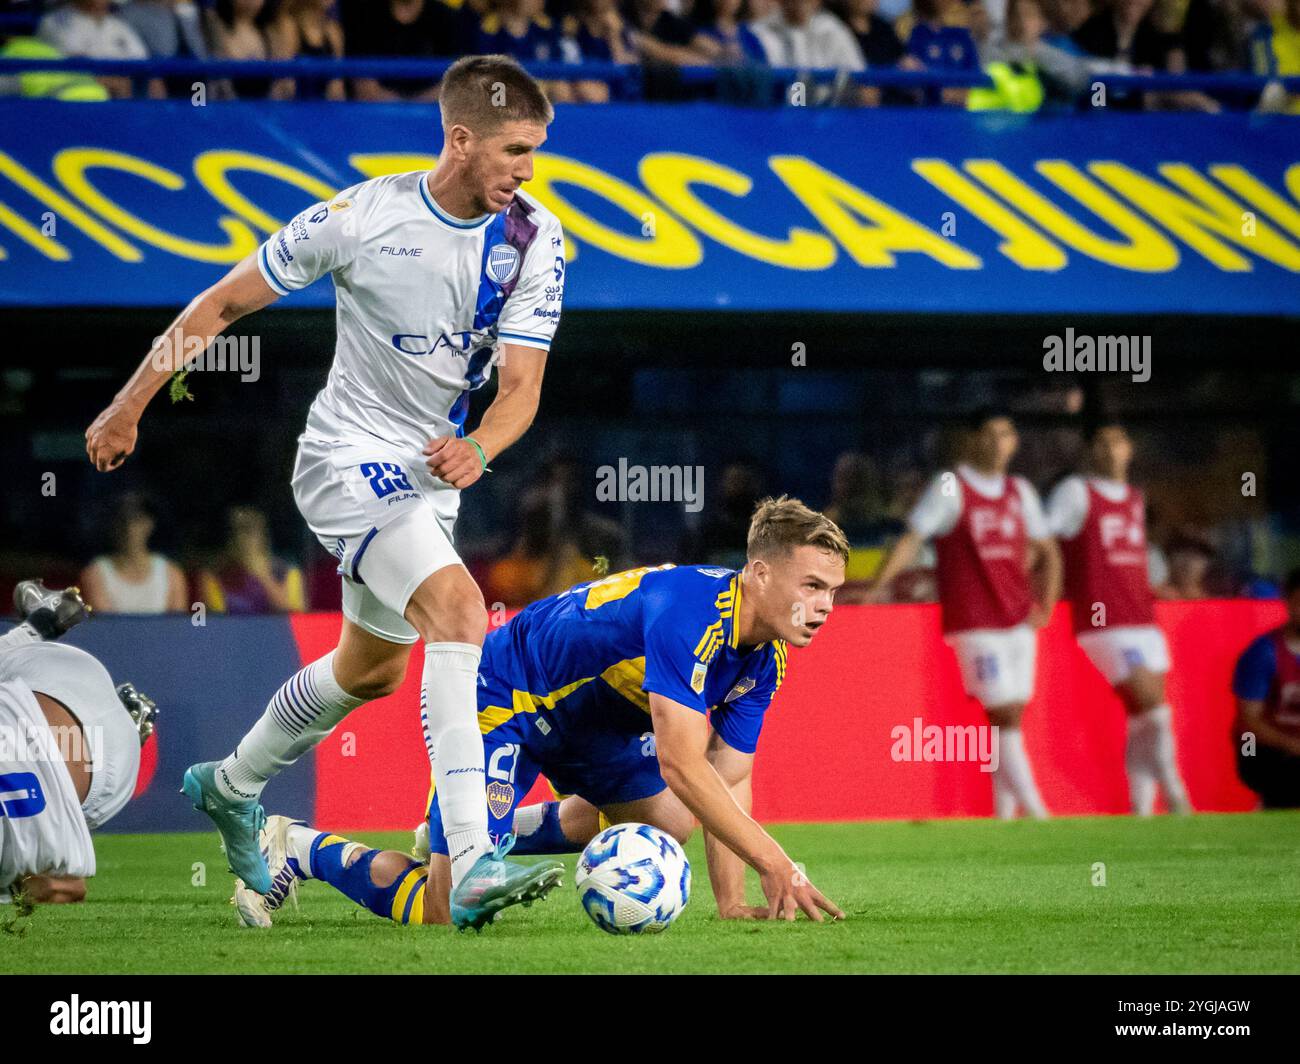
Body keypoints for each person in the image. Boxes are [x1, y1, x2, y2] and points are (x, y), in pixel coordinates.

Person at [85, 54, 567, 931]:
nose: (526, 170)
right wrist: (129, 405)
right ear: (460, 140)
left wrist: (480, 447)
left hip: (432, 476)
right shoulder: (360, 217)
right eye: (514, 150)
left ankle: (230, 786)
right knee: (461, 612)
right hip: (346, 459)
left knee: (371, 671)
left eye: (536, 152)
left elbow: (523, 388)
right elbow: (224, 305)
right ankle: (471, 861)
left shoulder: (535, 238)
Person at [235, 497, 847, 927]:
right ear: (760, 574)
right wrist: (776, 863)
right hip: (508, 693)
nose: (823, 606)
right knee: (448, 910)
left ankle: (477, 827)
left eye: (832, 592)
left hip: (591, 726)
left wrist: (732, 902)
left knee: (672, 819)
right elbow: (683, 763)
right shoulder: (692, 611)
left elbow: (727, 774)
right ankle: (297, 847)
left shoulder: (765, 661)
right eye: (812, 586)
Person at [868, 409, 1062, 820]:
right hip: (975, 621)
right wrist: (878, 584)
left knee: (1009, 720)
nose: (998, 442)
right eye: (990, 433)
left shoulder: (1019, 491)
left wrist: (1045, 601)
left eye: (1007, 433)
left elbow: (1047, 550)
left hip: (1018, 620)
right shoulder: (950, 486)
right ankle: (1040, 814)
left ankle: (1004, 818)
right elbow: (912, 537)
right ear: (973, 440)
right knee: (1003, 711)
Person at [1045, 420, 1191, 814]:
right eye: (1103, 442)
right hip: (1103, 621)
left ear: (1131, 450)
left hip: (1142, 617)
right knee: (1155, 708)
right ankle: (1177, 795)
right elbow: (1043, 539)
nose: (1112, 449)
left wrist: (1157, 586)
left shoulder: (1134, 497)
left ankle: (1140, 808)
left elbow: (1134, 557)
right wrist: (1042, 587)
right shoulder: (1077, 492)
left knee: (1143, 715)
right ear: (1092, 451)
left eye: (1119, 441)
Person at [0, 581, 157, 907]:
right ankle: (38, 624)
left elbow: (62, 886)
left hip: (102, 783)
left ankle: (37, 626)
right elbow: (62, 886)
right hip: (56, 680)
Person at [1232, 568, 1300, 809]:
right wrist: (1292, 745)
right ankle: (1266, 795)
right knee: (1249, 744)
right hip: (1260, 746)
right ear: (1288, 602)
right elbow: (1250, 720)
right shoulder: (1264, 652)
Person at [79, 493, 187, 615]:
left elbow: (176, 627)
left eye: (136, 520)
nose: (128, 528)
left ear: (149, 524)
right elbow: (105, 625)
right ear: (113, 526)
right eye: (122, 520)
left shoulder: (171, 574)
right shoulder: (95, 573)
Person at [198, 505, 305, 615]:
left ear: (264, 535)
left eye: (250, 530)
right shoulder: (214, 575)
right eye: (237, 530)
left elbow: (294, 615)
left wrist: (262, 575)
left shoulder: (288, 571)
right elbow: (217, 622)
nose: (243, 538)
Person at [38, 0, 149, 99]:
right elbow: (72, 61)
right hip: (74, 89)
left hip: (121, 83)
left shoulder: (118, 25)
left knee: (153, 80)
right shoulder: (56, 22)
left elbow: (141, 59)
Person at [268, 0, 345, 101]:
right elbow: (284, 84)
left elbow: (337, 87)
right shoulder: (288, 26)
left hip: (324, 109)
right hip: (291, 107)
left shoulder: (333, 31)